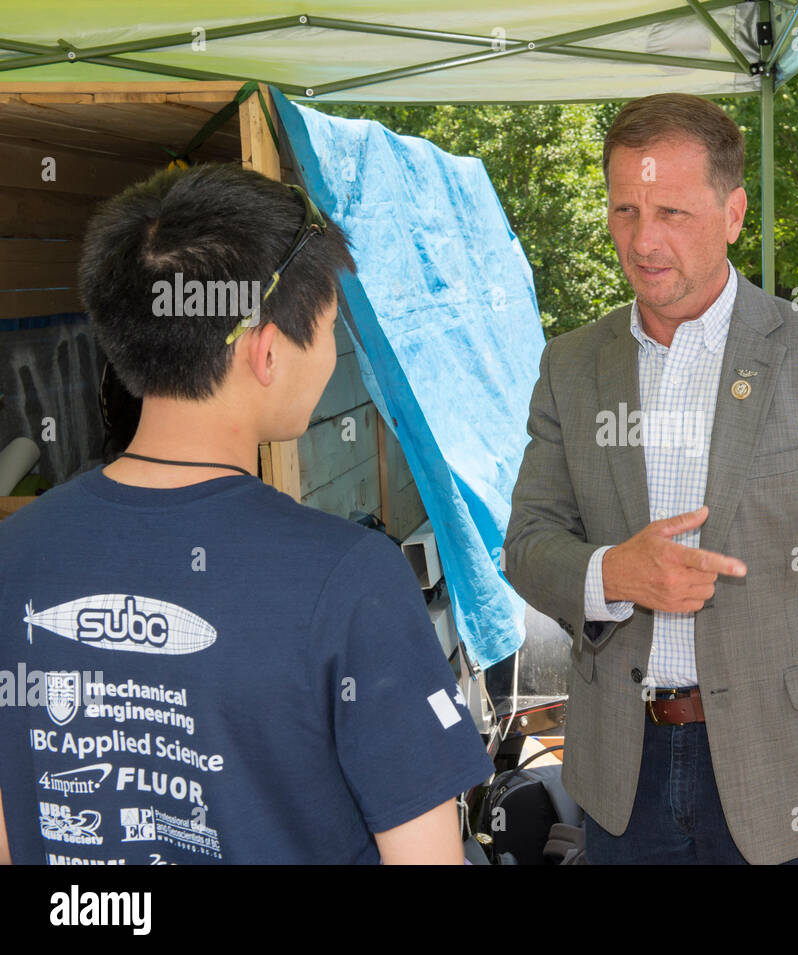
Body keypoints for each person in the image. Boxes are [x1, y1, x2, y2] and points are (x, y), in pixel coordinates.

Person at [0, 163, 492, 865]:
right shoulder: (351, 577)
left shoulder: (15, 554)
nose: (330, 358)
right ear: (265, 352)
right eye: (327, 330)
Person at [504, 93, 798, 865]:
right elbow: (529, 545)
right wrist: (614, 572)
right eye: (625, 210)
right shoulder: (570, 365)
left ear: (733, 214)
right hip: (622, 773)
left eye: (672, 212)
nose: (643, 239)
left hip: (789, 764)